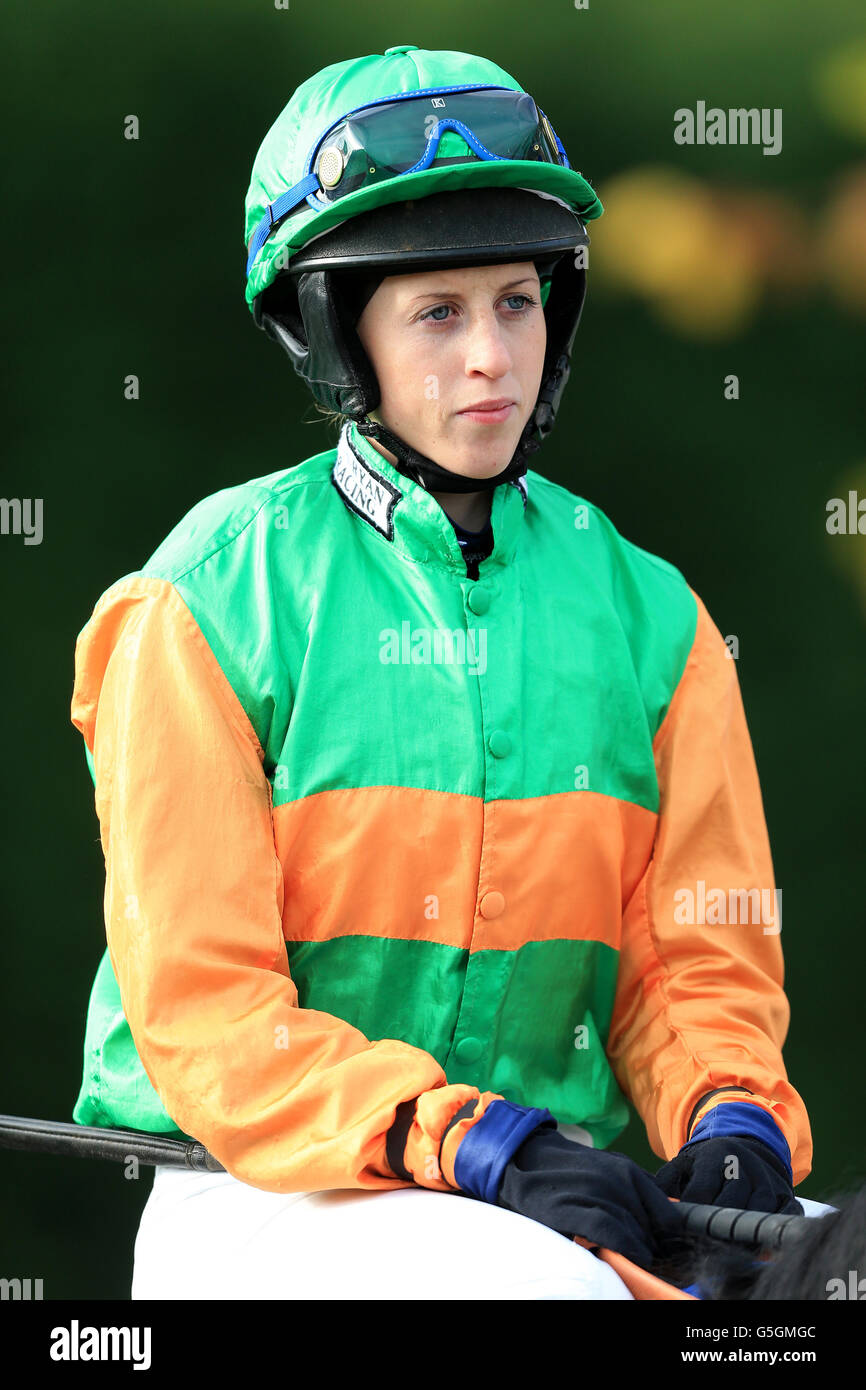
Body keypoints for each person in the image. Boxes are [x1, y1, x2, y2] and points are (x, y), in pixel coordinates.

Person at [70, 45, 818, 1300]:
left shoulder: (653, 618)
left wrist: (727, 1119)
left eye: (515, 302)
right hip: (265, 1189)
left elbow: (695, 959)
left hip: (539, 1188)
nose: (490, 358)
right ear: (331, 330)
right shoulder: (201, 598)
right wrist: (459, 1134)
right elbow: (205, 1007)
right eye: (436, 313)